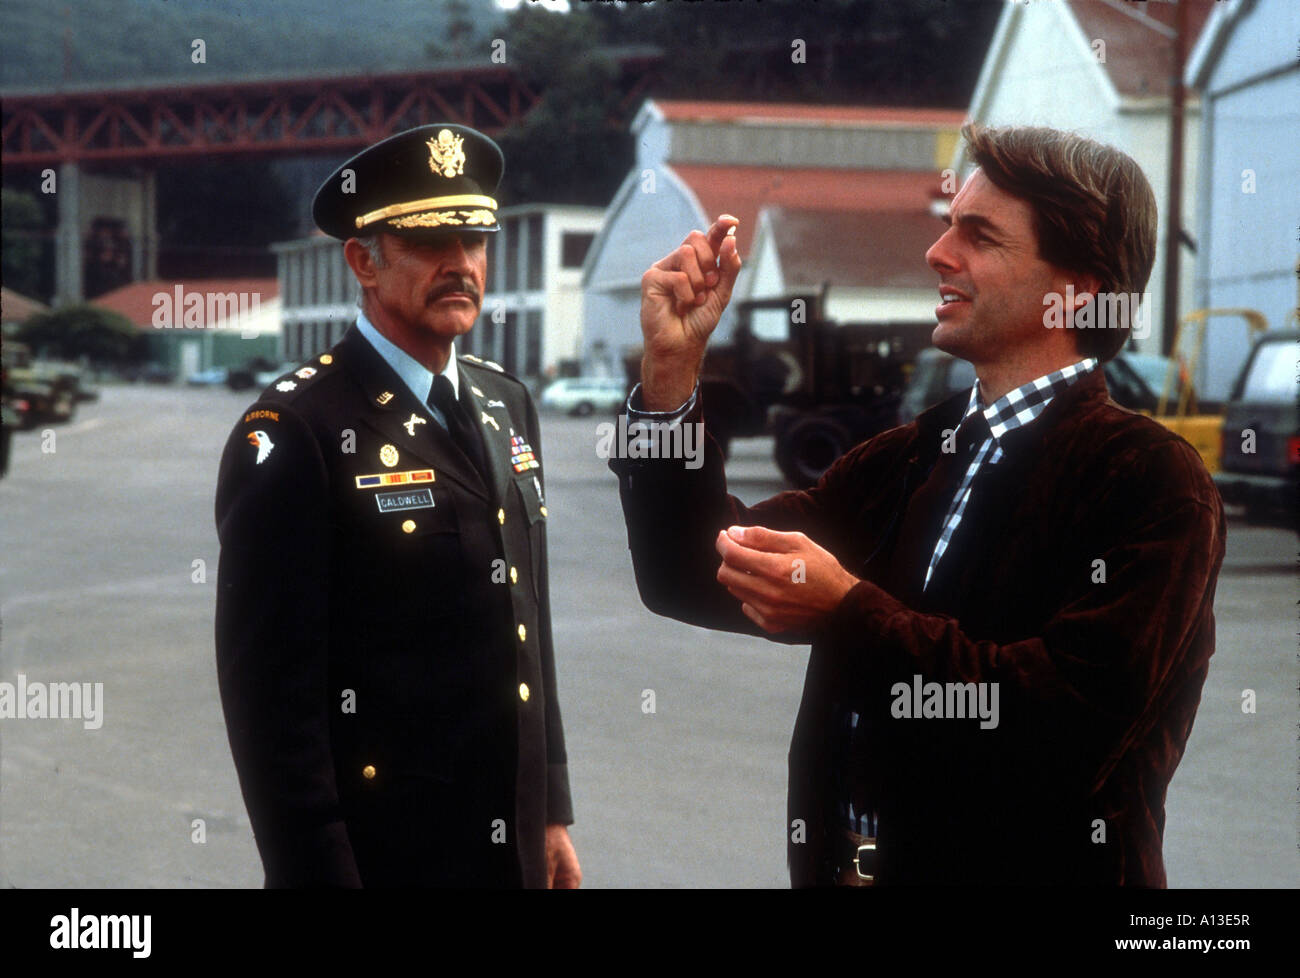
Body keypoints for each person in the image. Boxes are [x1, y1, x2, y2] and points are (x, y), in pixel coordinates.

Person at [610, 124, 1224, 886]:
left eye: (980, 235)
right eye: (947, 225)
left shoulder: (1151, 482)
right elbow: (688, 570)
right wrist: (670, 375)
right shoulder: (907, 457)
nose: (939, 252)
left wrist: (847, 612)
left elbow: (1062, 728)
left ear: (1079, 291)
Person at [215, 124, 580, 888]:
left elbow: (527, 628)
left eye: (474, 240)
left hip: (505, 845)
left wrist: (548, 812)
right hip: (385, 857)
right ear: (363, 261)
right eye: (428, 243)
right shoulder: (296, 431)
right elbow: (271, 706)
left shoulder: (506, 404)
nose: (461, 264)